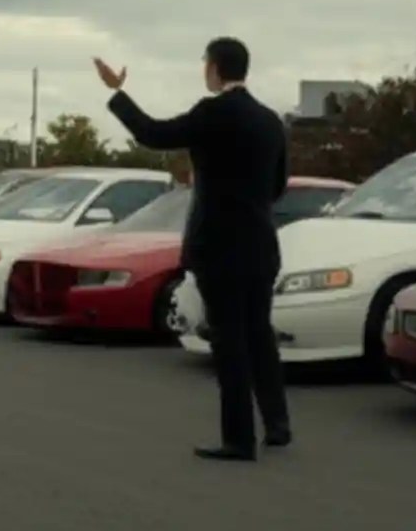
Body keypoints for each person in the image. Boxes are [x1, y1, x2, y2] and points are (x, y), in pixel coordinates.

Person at [93, 37, 290, 462]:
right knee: (259, 334)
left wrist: (117, 92)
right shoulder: (270, 120)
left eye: (206, 64)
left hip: (219, 246)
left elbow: (153, 133)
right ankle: (277, 424)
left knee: (228, 341)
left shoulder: (211, 113)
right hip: (260, 242)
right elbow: (277, 186)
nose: (204, 71)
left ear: (216, 68)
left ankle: (238, 439)